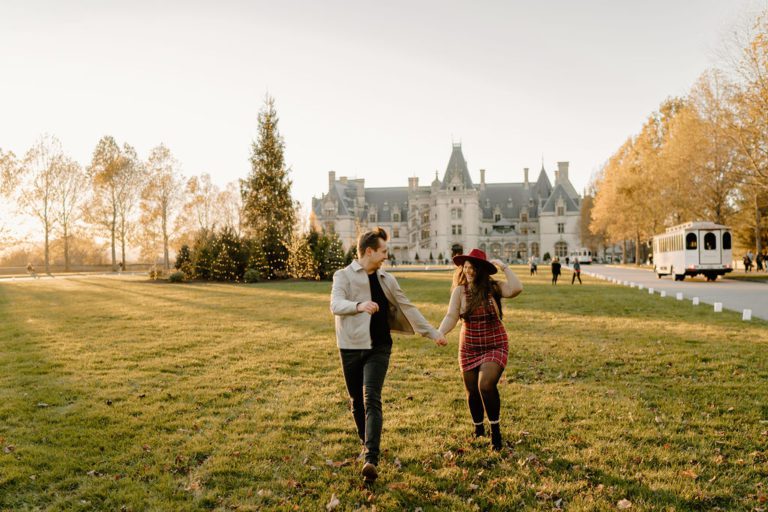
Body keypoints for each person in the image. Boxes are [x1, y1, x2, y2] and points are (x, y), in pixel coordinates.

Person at [331, 227, 447, 483]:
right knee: (356, 401)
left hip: (379, 347)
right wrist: (359, 306)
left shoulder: (386, 279)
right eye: (383, 251)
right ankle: (366, 443)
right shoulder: (343, 276)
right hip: (350, 346)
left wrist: (433, 332)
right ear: (369, 251)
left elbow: (408, 307)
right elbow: (335, 305)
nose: (386, 256)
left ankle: (371, 458)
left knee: (371, 396)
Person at [438, 249, 523, 451]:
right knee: (472, 392)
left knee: (485, 384)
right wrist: (440, 332)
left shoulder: (493, 288)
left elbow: (516, 288)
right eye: (465, 267)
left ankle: (496, 432)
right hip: (469, 346)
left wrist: (504, 267)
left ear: (481, 270)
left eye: (472, 267)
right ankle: (478, 429)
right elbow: (451, 316)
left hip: (495, 343)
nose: (467, 271)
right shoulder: (459, 291)